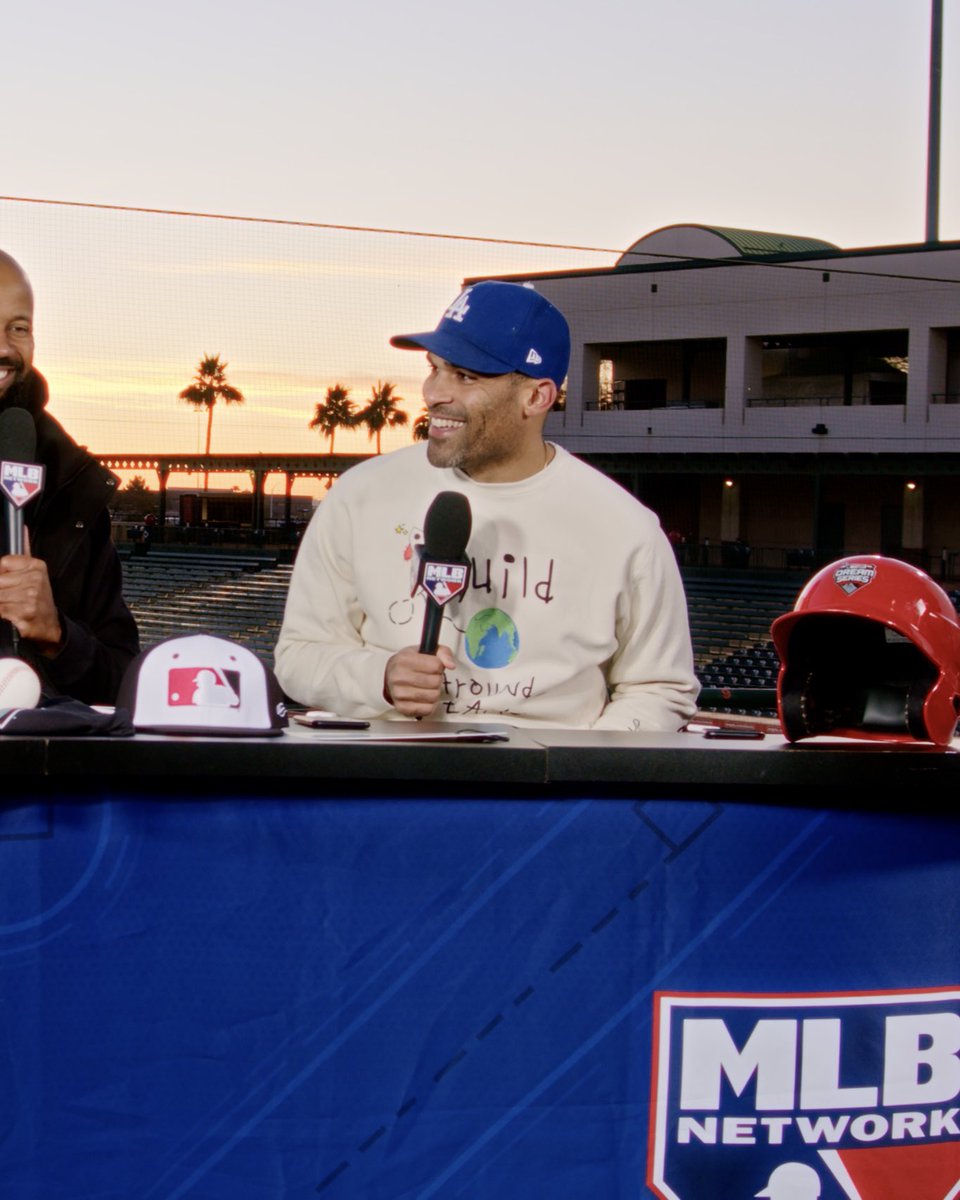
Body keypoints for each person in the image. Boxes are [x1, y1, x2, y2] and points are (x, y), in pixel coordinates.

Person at [275, 281, 698, 729]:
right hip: (390, 760)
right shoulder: (360, 494)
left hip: (549, 765)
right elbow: (299, 656)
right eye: (434, 368)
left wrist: (580, 761)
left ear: (536, 397)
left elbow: (660, 689)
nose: (434, 393)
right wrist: (378, 677)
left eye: (465, 376)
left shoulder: (624, 526)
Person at [0, 250, 139, 703]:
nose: (4, 348)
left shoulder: (70, 481)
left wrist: (56, 634)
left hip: (42, 744)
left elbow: (121, 681)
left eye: (18, 328)